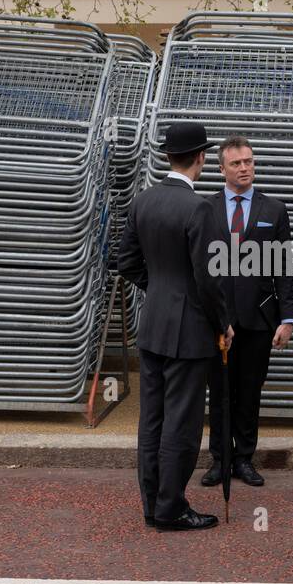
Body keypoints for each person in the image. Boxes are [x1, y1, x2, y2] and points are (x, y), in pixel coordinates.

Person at [117, 121, 233, 532]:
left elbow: (127, 261)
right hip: (190, 332)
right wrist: (224, 323)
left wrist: (162, 291)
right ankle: (171, 507)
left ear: (169, 156)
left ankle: (153, 503)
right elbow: (208, 278)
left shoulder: (143, 201)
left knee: (152, 420)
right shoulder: (199, 208)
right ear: (201, 158)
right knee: (181, 423)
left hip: (153, 326)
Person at [203, 136, 293, 489]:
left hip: (259, 320)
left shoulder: (273, 209)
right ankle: (219, 460)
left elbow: (284, 266)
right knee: (220, 391)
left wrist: (287, 318)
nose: (244, 168)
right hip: (217, 321)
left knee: (250, 391)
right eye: (236, 163)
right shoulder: (206, 209)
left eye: (249, 161)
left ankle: (244, 458)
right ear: (221, 169)